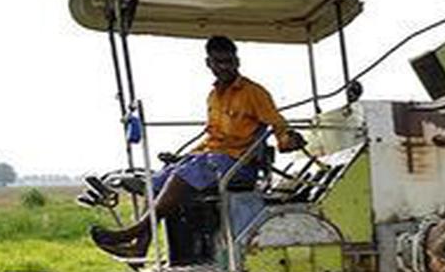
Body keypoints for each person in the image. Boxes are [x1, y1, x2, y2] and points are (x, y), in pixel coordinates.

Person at [91, 35, 306, 258]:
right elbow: (212, 137)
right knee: (156, 181)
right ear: (209, 64)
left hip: (239, 163)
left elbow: (278, 125)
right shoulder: (213, 96)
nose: (225, 67)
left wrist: (288, 140)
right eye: (219, 62)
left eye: (230, 62)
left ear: (237, 61)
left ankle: (135, 230)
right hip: (214, 159)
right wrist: (182, 156)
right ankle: (140, 245)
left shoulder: (254, 93)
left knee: (186, 173)